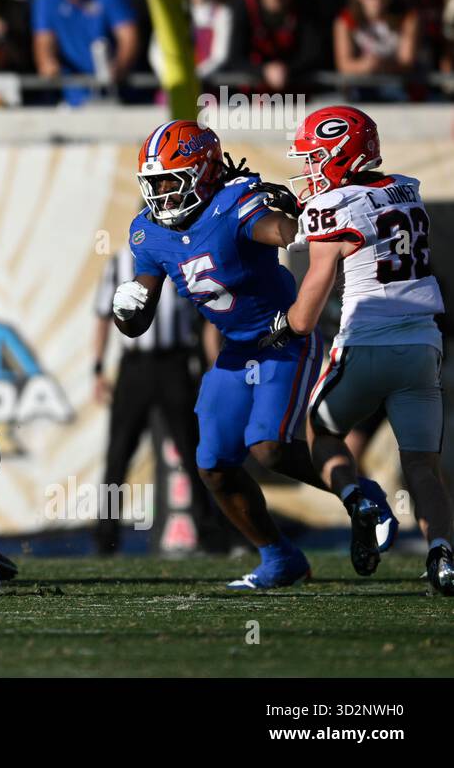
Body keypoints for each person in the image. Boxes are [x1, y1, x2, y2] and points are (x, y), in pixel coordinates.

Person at [111, 119, 395, 588]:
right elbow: (139, 315)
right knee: (214, 466)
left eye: (169, 180)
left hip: (285, 339)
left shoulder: (234, 203)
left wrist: (285, 213)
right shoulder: (147, 232)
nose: (160, 193)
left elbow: (286, 233)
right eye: (153, 182)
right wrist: (127, 308)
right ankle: (280, 558)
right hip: (235, 351)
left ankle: (362, 496)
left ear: (203, 172)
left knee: (270, 448)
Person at [263, 105, 450, 594]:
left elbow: (309, 307)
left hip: (367, 341)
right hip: (423, 344)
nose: (308, 169)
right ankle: (443, 555)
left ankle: (358, 500)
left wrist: (285, 324)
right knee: (422, 467)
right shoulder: (407, 187)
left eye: (314, 157)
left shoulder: (335, 206)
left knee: (321, 433)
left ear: (340, 154)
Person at [92, 246, 225, 555]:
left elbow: (206, 319)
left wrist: (211, 367)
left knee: (193, 452)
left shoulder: (184, 262)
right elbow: (101, 316)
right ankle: (105, 537)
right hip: (135, 366)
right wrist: (97, 367)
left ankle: (210, 533)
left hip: (175, 364)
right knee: (118, 454)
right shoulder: (119, 263)